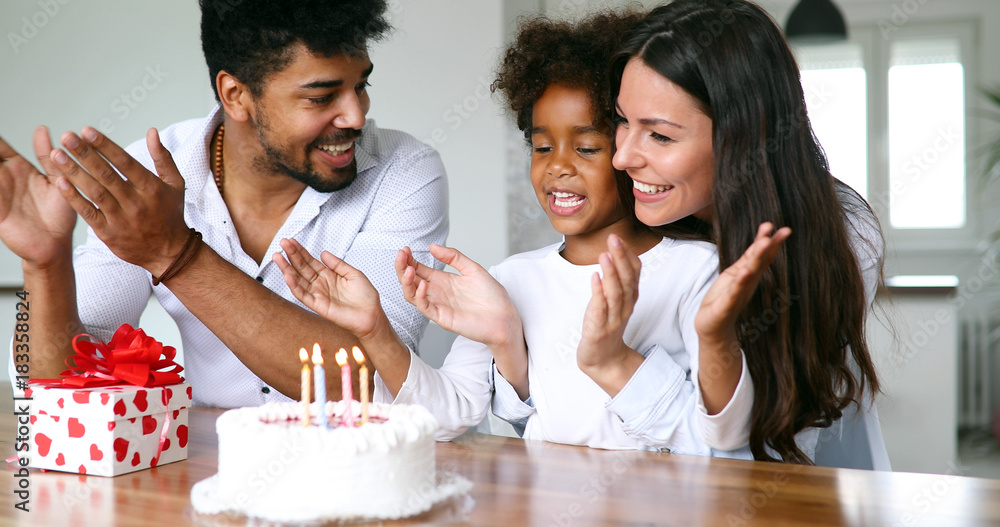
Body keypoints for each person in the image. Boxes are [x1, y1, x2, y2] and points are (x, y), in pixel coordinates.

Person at [275, 10, 785, 456]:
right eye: (542, 148)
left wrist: (621, 361)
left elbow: (722, 441)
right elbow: (449, 417)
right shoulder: (511, 280)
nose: (557, 167)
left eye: (586, 148)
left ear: (629, 150)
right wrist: (375, 330)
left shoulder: (696, 270)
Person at [0, 0, 448, 408]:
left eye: (361, 85)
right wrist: (45, 266)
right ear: (236, 95)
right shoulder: (149, 180)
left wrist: (175, 253)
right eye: (322, 97)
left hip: (362, 472)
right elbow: (58, 386)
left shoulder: (403, 170)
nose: (356, 116)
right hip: (210, 468)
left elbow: (372, 379)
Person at [605, 0, 889, 468]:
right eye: (622, 121)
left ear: (741, 134)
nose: (623, 158)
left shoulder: (842, 229)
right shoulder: (636, 229)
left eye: (659, 136)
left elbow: (749, 446)